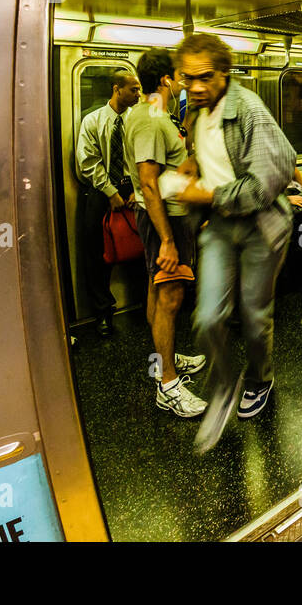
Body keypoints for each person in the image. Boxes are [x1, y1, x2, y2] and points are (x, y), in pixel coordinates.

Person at [172, 33, 297, 452]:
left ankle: (260, 377)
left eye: (204, 77)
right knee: (207, 317)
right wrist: (192, 166)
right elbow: (209, 153)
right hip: (223, 225)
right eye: (187, 79)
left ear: (224, 72)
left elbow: (271, 179)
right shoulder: (195, 108)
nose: (195, 87)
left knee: (252, 314)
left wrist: (204, 196)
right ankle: (225, 384)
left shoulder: (248, 109)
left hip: (261, 225)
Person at [124, 48, 208, 418]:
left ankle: (165, 360)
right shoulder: (148, 121)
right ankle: (168, 386)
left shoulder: (158, 116)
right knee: (170, 297)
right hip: (166, 222)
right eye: (178, 75)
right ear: (165, 80)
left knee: (158, 291)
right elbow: (148, 183)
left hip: (169, 220)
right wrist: (169, 241)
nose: (183, 81)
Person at [75, 72, 141, 336]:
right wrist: (110, 191)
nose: (138, 95)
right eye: (133, 90)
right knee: (97, 254)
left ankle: (143, 304)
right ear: (117, 89)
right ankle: (104, 313)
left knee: (140, 246)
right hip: (101, 192)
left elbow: (144, 157)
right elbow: (87, 160)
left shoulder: (138, 122)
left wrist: (137, 189)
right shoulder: (93, 121)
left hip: (133, 188)